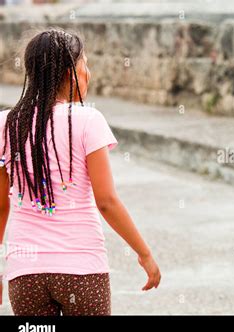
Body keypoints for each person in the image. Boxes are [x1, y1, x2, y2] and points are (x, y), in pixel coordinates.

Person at [0, 28, 161, 315]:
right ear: (68, 72)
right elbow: (107, 202)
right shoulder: (88, 120)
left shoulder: (6, 124)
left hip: (25, 273)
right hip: (81, 270)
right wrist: (144, 253)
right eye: (85, 63)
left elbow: (0, 206)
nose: (89, 72)